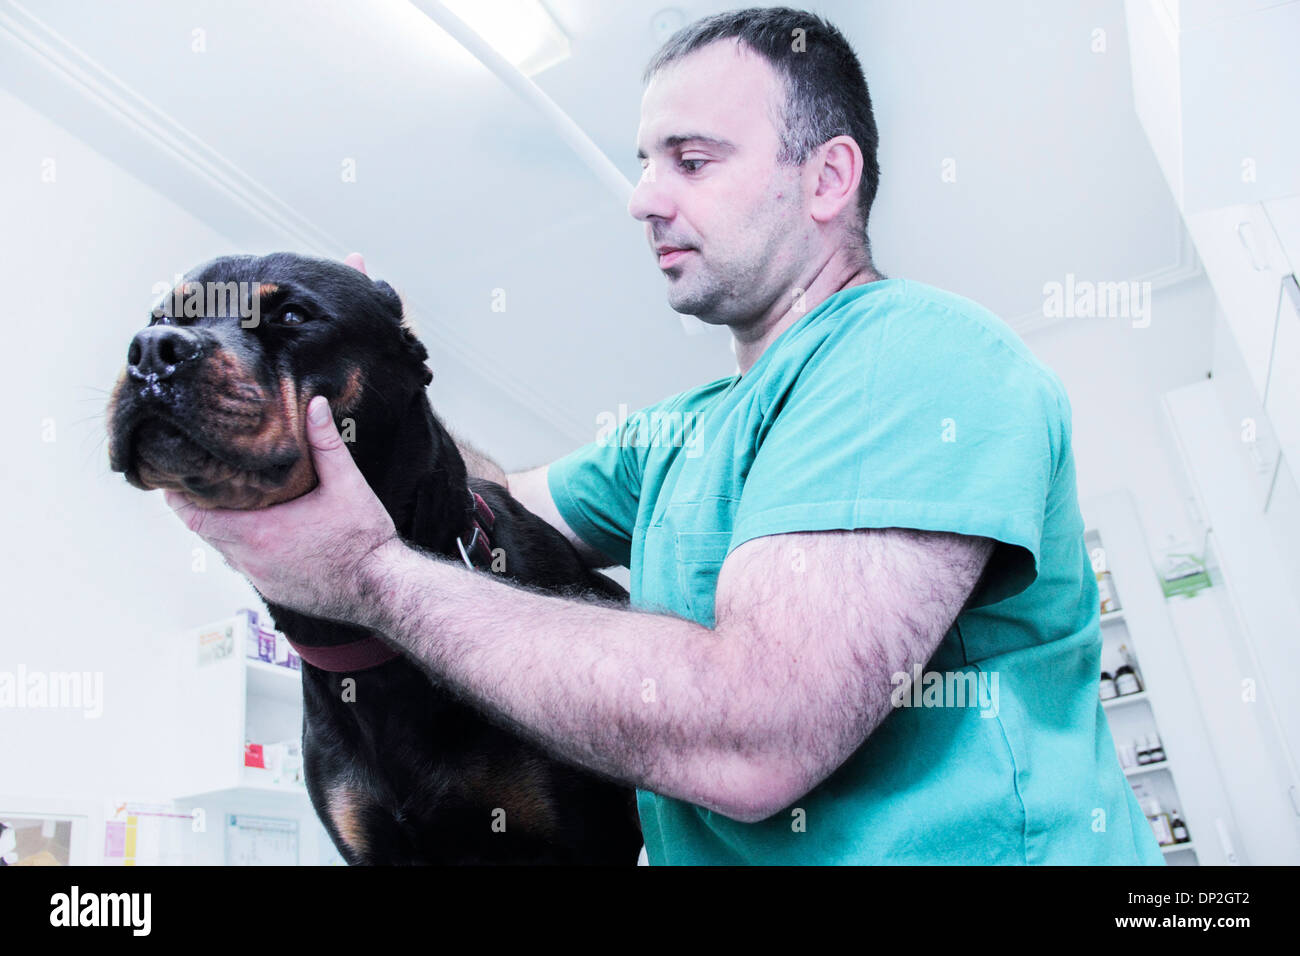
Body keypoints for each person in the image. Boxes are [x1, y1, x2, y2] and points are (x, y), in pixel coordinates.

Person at [168, 7, 1164, 865]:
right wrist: (385, 372)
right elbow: (487, 496)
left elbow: (755, 736)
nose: (643, 197)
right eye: (646, 163)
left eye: (690, 159)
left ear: (826, 178)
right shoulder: (676, 438)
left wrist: (371, 574)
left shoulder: (917, 357)